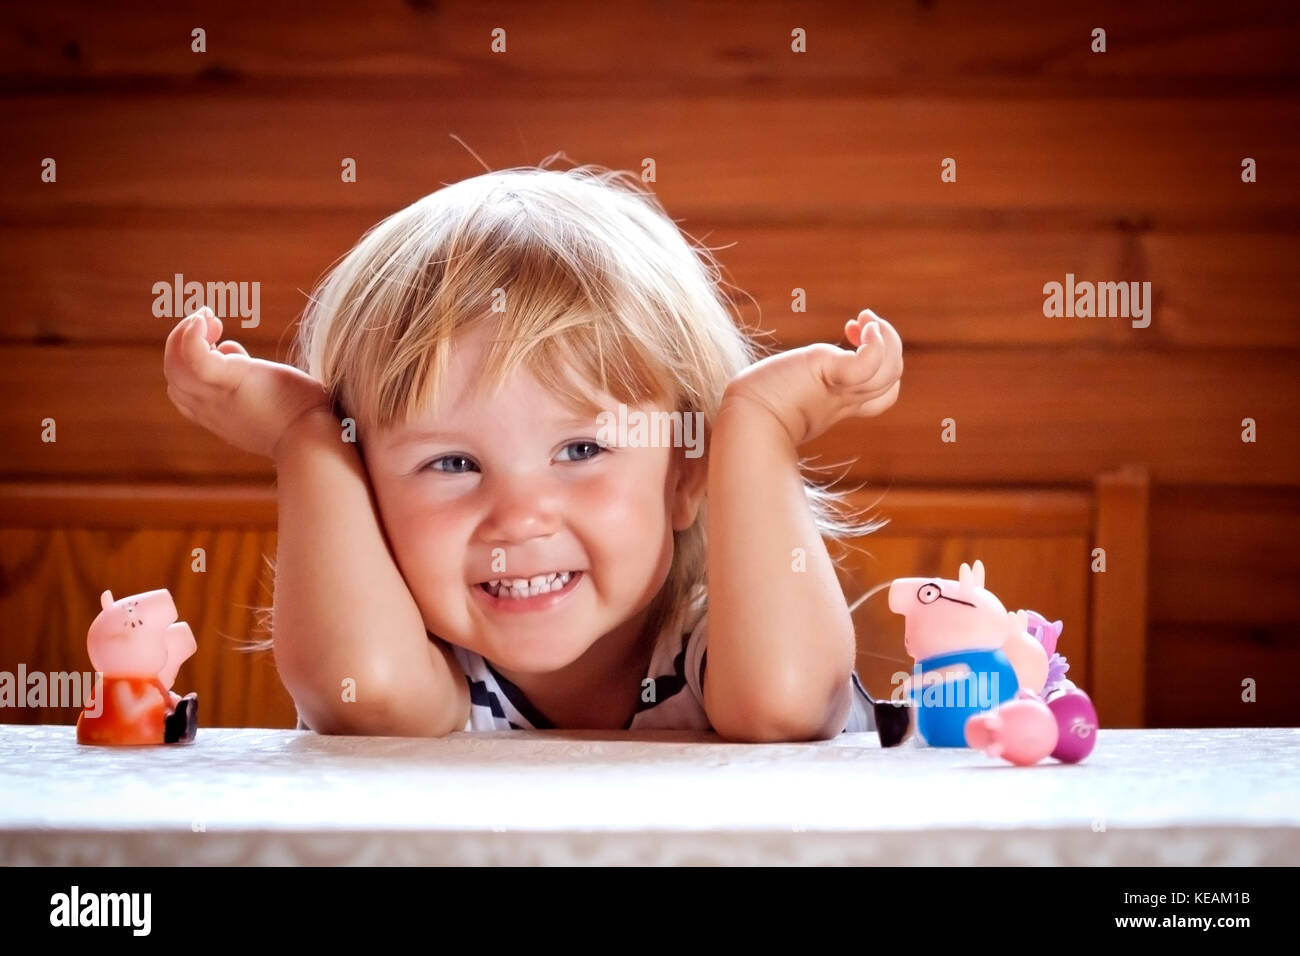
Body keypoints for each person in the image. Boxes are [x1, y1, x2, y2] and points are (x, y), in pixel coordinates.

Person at [162, 163, 903, 741]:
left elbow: (784, 707)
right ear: (363, 494)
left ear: (685, 474)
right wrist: (307, 437)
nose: (519, 519)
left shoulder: (715, 647)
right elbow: (371, 695)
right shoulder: (429, 678)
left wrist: (756, 427)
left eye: (581, 449)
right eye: (452, 464)